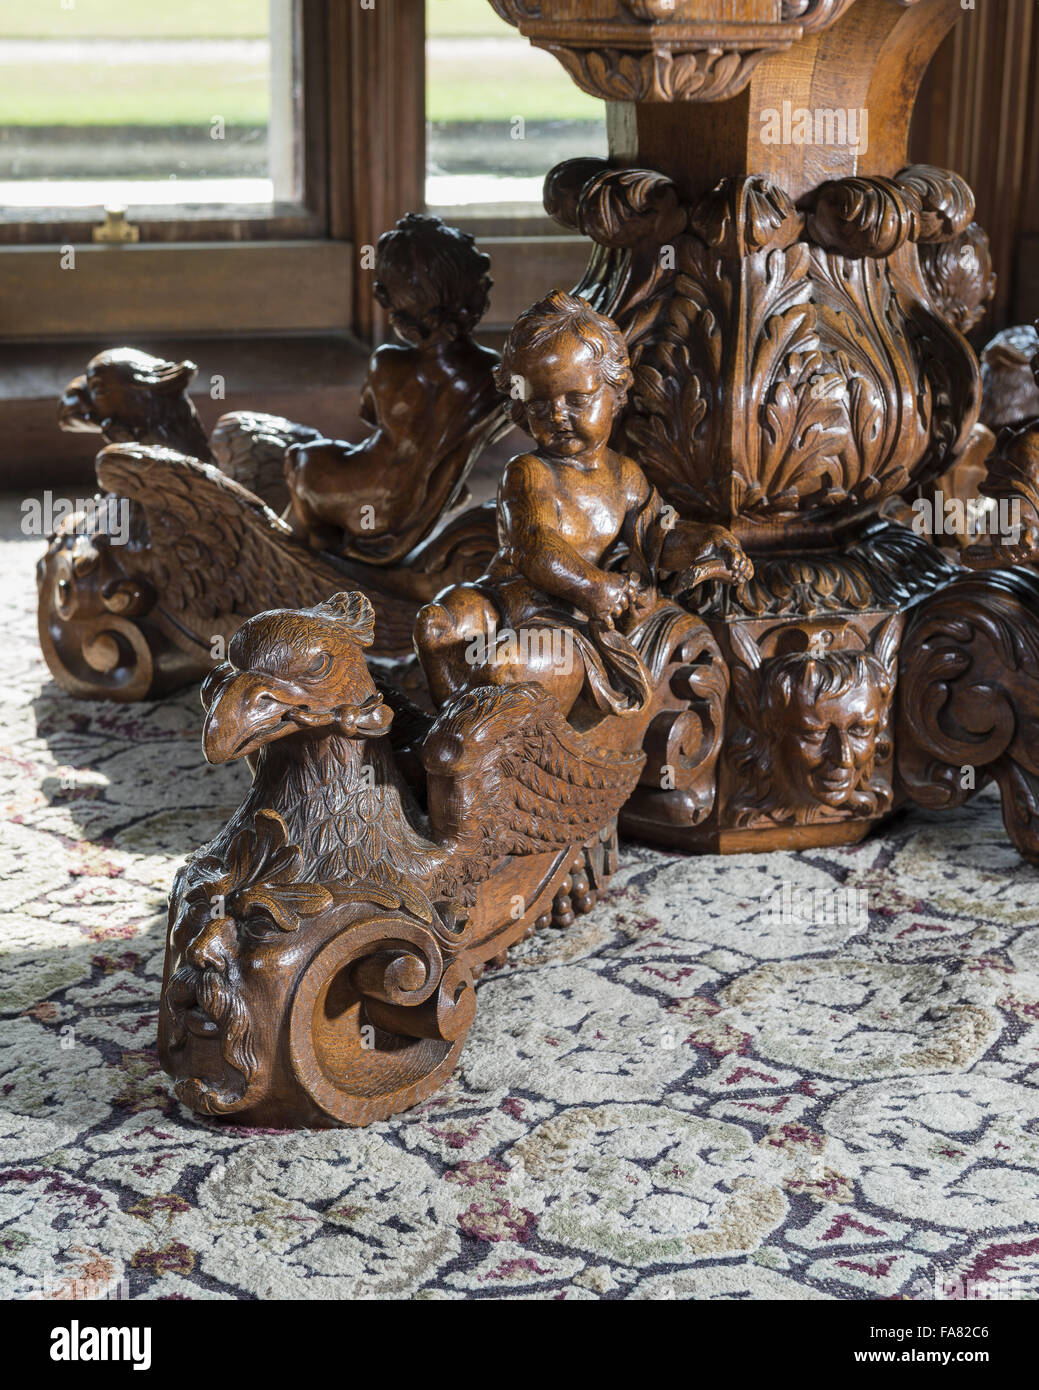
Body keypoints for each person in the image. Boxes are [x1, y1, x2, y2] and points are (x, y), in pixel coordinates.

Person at [415, 289, 751, 716]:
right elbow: (534, 546)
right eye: (540, 404)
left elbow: (657, 536)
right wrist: (597, 586)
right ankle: (453, 723)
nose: (558, 415)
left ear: (615, 391)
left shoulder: (625, 477)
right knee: (437, 627)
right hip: (503, 601)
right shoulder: (529, 472)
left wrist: (705, 543)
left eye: (577, 399)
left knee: (503, 665)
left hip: (566, 622)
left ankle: (485, 728)